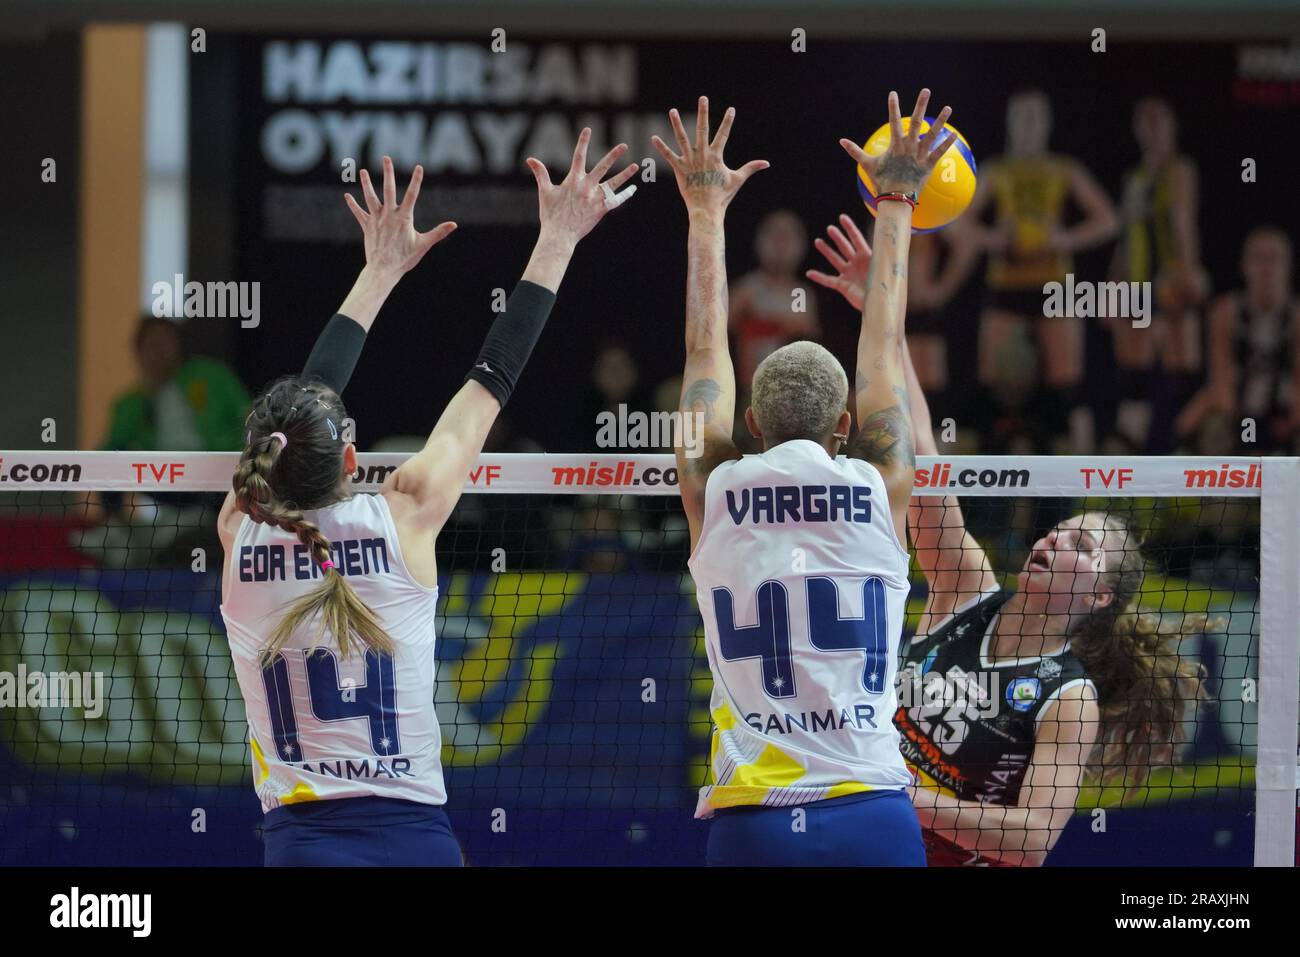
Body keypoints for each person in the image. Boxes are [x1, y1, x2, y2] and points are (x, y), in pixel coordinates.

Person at [217, 139, 638, 866]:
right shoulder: (405, 513)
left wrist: (376, 271)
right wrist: (559, 239)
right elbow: (493, 376)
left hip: (299, 845)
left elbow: (296, 420)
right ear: (351, 459)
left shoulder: (237, 530)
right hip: (414, 841)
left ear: (258, 461)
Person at [809, 215, 1207, 866]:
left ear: (1101, 594)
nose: (1056, 536)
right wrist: (880, 314)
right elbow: (921, 452)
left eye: (1082, 545)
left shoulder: (1068, 698)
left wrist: (901, 791)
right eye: (1064, 528)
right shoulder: (966, 586)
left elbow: (1031, 841)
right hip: (864, 843)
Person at [657, 90, 956, 866]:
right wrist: (896, 201)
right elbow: (885, 350)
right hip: (871, 815)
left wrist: (704, 211)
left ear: (751, 425)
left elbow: (701, 356)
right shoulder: (879, 484)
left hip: (754, 822)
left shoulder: (710, 490)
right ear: (846, 428)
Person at [957, 88, 1118, 452]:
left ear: (1047, 123)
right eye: (1021, 116)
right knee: (990, 387)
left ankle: (1081, 481)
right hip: (1006, 285)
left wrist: (1062, 240)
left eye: (1035, 117)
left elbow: (1108, 220)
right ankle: (979, 484)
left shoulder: (1064, 168)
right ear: (1010, 123)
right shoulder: (997, 171)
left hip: (1054, 286)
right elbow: (957, 223)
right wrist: (996, 240)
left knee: (1067, 388)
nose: (1028, 124)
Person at [1109, 96, 1209, 452]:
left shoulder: (1181, 170)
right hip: (1137, 288)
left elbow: (1183, 225)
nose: (1151, 128)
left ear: (1172, 126)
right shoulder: (1133, 178)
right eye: (1145, 120)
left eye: (1158, 119)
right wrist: (1112, 288)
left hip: (1170, 284)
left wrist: (1188, 277)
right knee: (1134, 381)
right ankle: (1136, 474)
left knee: (1178, 374)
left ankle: (1182, 461)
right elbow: (1125, 236)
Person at [1175, 226, 1298, 454]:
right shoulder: (1226, 312)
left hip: (1281, 414)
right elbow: (1221, 381)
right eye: (1258, 258)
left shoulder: (1296, 318)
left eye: (1274, 258)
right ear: (1244, 265)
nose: (1266, 268)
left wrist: (1281, 428)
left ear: (1287, 266)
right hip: (1236, 410)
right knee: (1194, 425)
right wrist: (1247, 435)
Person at [104, 315, 250, 453]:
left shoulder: (211, 376)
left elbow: (249, 416)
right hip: (161, 472)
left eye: (165, 342)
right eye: (152, 344)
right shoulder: (130, 403)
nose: (160, 351)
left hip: (217, 464)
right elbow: (112, 448)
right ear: (140, 352)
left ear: (179, 344)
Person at [729, 209, 820, 394]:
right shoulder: (747, 288)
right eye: (774, 236)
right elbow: (720, 332)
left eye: (787, 238)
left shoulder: (799, 292)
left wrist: (772, 323)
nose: (781, 246)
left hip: (792, 388)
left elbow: (804, 328)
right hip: (750, 386)